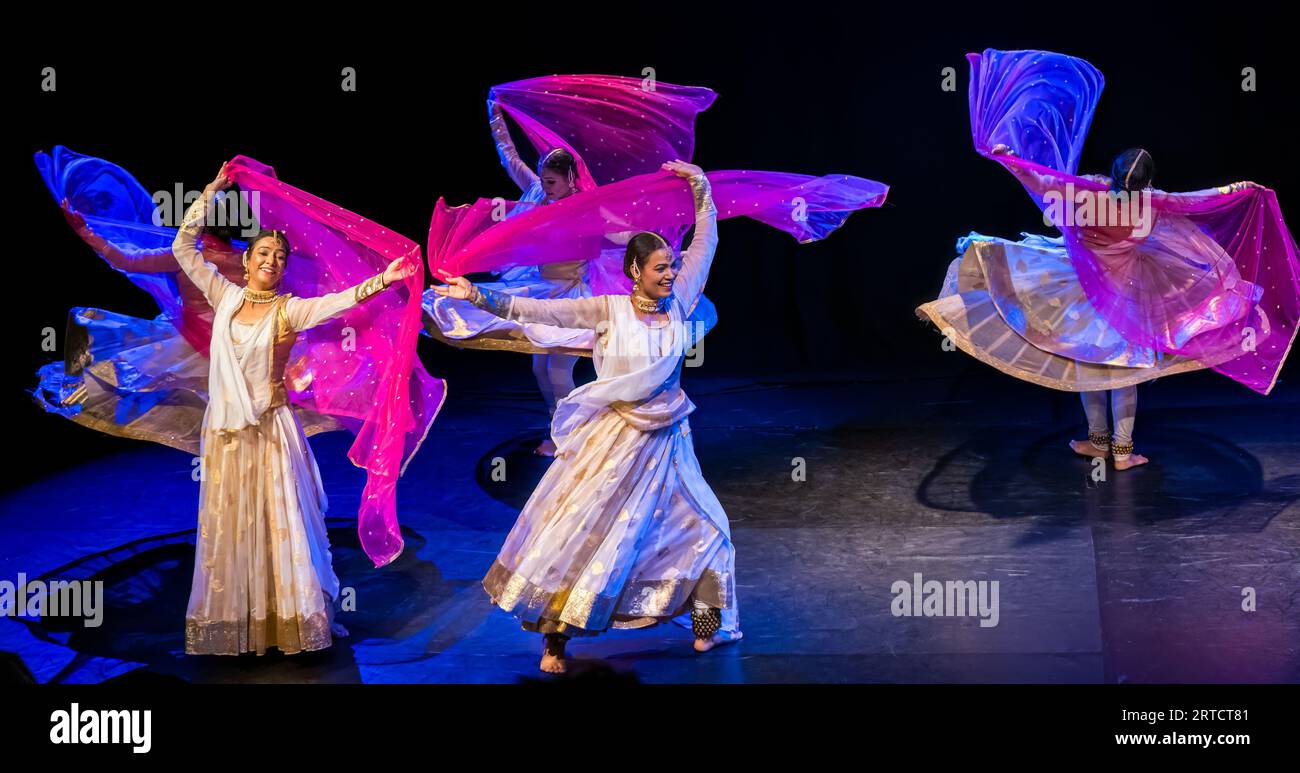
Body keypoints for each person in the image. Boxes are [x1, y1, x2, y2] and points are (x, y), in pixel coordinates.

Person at [433, 160, 741, 672]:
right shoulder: (605, 311)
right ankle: (555, 640)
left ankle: (711, 630)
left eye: (672, 267)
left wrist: (700, 186)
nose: (670, 275)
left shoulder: (679, 304)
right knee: (581, 534)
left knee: (710, 531)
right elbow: (538, 313)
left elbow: (706, 243)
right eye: (660, 268)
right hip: (613, 442)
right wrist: (480, 295)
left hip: (669, 442)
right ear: (635, 272)